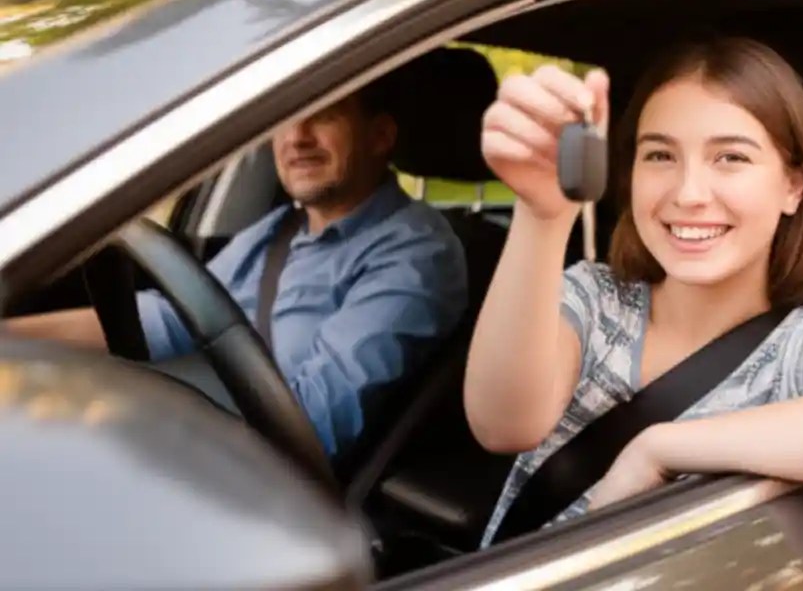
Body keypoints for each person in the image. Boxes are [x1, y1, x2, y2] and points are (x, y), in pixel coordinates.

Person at [465, 36, 803, 547]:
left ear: (792, 187)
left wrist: (661, 447)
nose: (689, 194)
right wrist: (542, 216)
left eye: (731, 158)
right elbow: (503, 426)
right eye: (660, 155)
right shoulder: (594, 300)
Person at [5, 86, 468, 458]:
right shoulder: (279, 229)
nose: (297, 136)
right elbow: (168, 319)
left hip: (284, 499)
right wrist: (12, 338)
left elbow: (314, 427)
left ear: (380, 135)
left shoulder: (415, 251)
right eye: (286, 117)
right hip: (214, 445)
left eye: (325, 113)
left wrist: (120, 418)